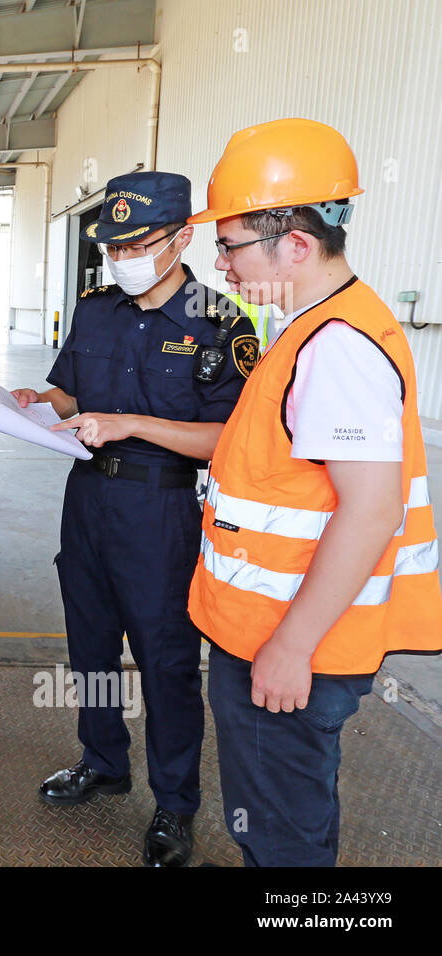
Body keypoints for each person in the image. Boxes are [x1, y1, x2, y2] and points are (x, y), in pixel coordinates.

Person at [185, 118, 442, 866]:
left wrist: (291, 649)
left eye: (229, 244)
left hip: (293, 645)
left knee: (280, 838)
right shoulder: (316, 327)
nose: (222, 265)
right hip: (276, 632)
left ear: (294, 243)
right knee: (284, 821)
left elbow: (371, 511)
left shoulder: (336, 348)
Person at [13, 171, 257, 866]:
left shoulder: (220, 320)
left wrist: (127, 424)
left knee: (166, 662)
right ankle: (103, 760)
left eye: (138, 242)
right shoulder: (96, 308)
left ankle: (175, 804)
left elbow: (227, 442)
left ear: (182, 237)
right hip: (86, 500)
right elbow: (70, 392)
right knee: (90, 647)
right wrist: (40, 400)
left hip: (160, 509)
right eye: (112, 243)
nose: (122, 255)